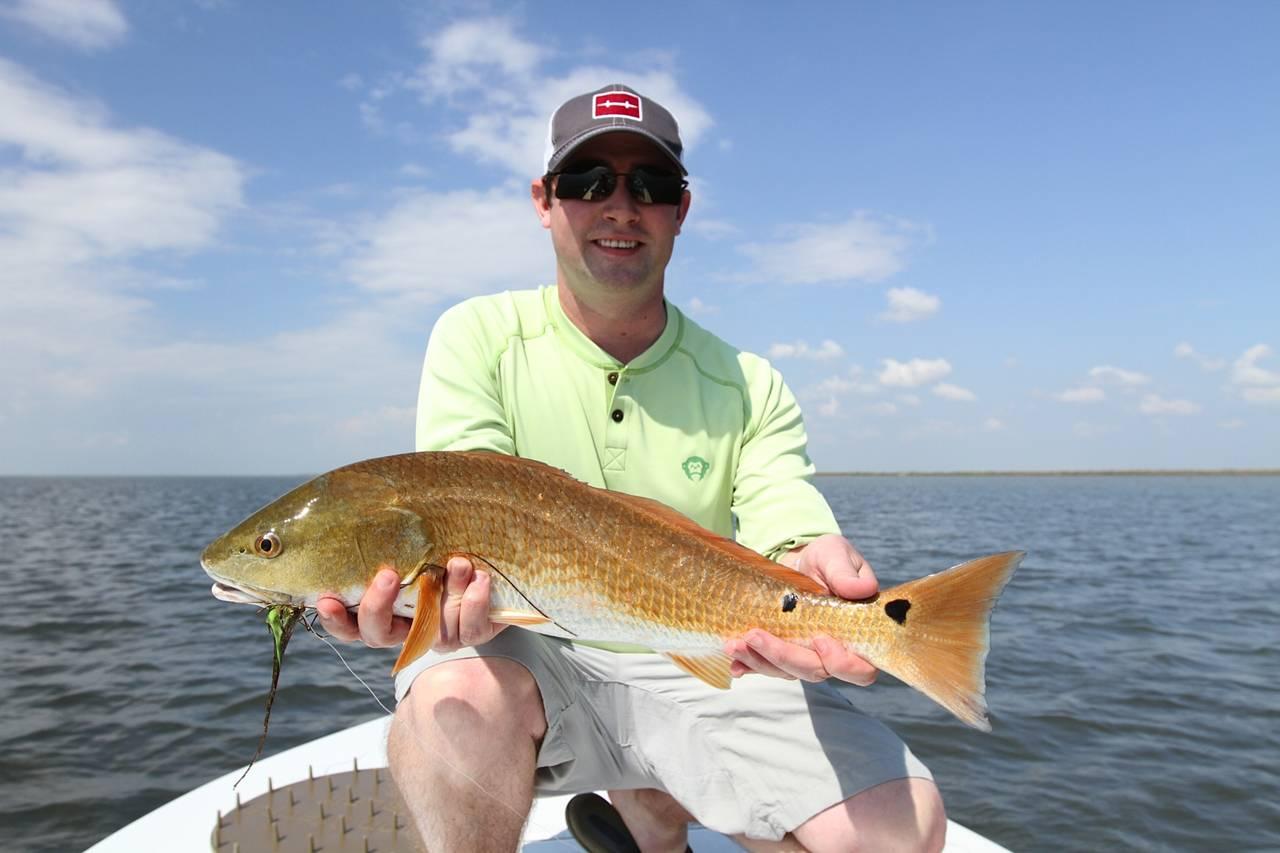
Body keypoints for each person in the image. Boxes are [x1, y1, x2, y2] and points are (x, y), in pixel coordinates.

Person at [317, 84, 944, 852]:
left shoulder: (751, 383)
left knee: (902, 831)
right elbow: (461, 515)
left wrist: (821, 579)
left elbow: (790, 529)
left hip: (704, 661)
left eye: (649, 185)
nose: (620, 205)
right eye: (588, 182)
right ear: (544, 201)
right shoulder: (474, 337)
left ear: (681, 209)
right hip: (536, 661)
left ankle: (649, 815)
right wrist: (423, 606)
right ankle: (647, 807)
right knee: (453, 690)